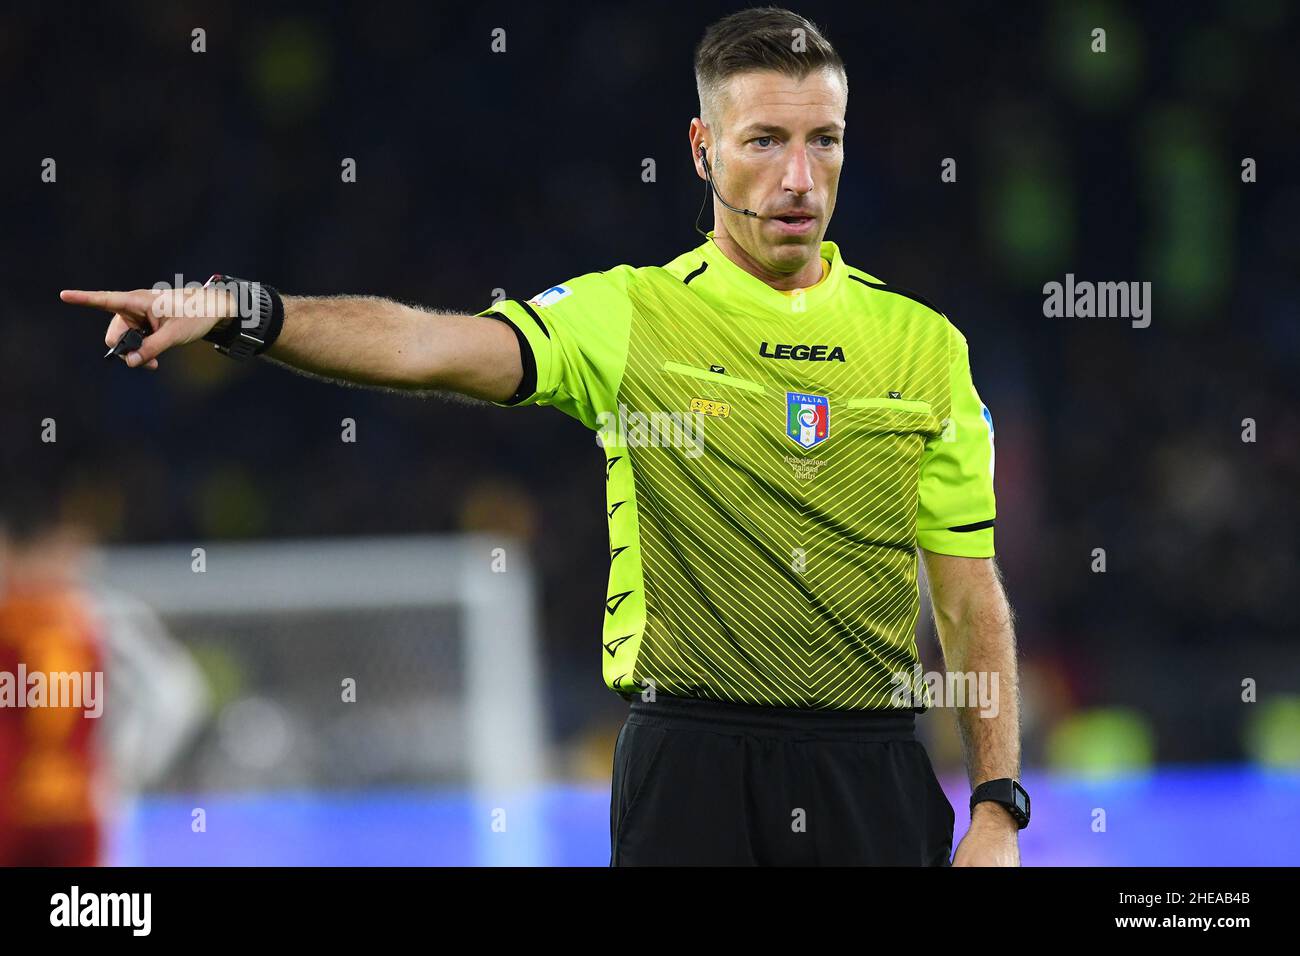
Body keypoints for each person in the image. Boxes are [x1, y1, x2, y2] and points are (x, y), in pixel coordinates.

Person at [61, 7, 1027, 865]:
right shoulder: (631, 315)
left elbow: (966, 593)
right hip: (690, 762)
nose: (798, 179)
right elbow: (426, 346)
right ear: (701, 149)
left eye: (825, 141)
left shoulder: (924, 348)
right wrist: (249, 309)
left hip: (876, 770)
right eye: (764, 141)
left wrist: (995, 805)